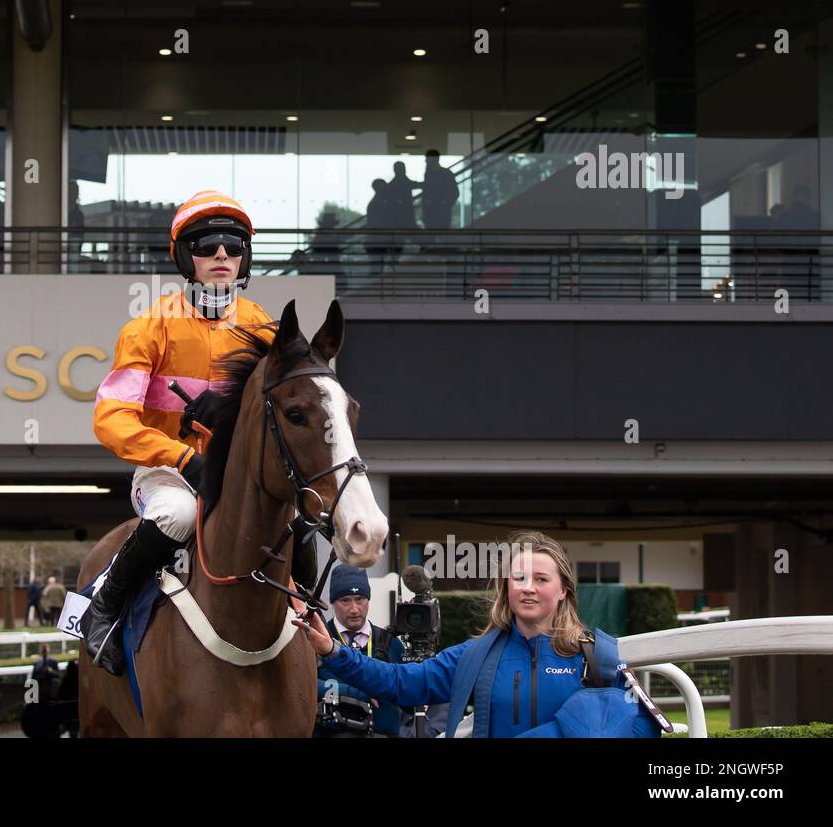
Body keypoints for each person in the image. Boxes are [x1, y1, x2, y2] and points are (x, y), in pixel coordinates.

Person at [80, 190, 317, 676]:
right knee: (180, 512)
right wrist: (181, 457)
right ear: (187, 257)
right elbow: (111, 417)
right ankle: (104, 604)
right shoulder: (148, 328)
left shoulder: (265, 332)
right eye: (208, 246)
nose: (222, 257)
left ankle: (312, 612)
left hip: (238, 475)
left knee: (299, 515)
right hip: (169, 474)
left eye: (233, 247)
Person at [295, 531, 663, 738]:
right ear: (507, 588)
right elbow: (400, 682)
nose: (529, 588)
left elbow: (645, 726)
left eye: (541, 579)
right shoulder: (475, 656)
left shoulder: (595, 655)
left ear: (563, 589)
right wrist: (333, 651)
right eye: (519, 578)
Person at [315, 566, 447, 738]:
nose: (354, 609)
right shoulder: (318, 639)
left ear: (368, 599)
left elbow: (410, 691)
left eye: (360, 599)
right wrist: (356, 693)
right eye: (345, 600)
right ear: (332, 602)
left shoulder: (389, 642)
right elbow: (306, 686)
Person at [421, 149, 459, 231]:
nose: (426, 161)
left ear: (434, 159)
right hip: (431, 214)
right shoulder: (428, 174)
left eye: (427, 158)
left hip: (441, 214)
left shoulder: (446, 174)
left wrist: (445, 204)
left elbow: (455, 192)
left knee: (441, 237)